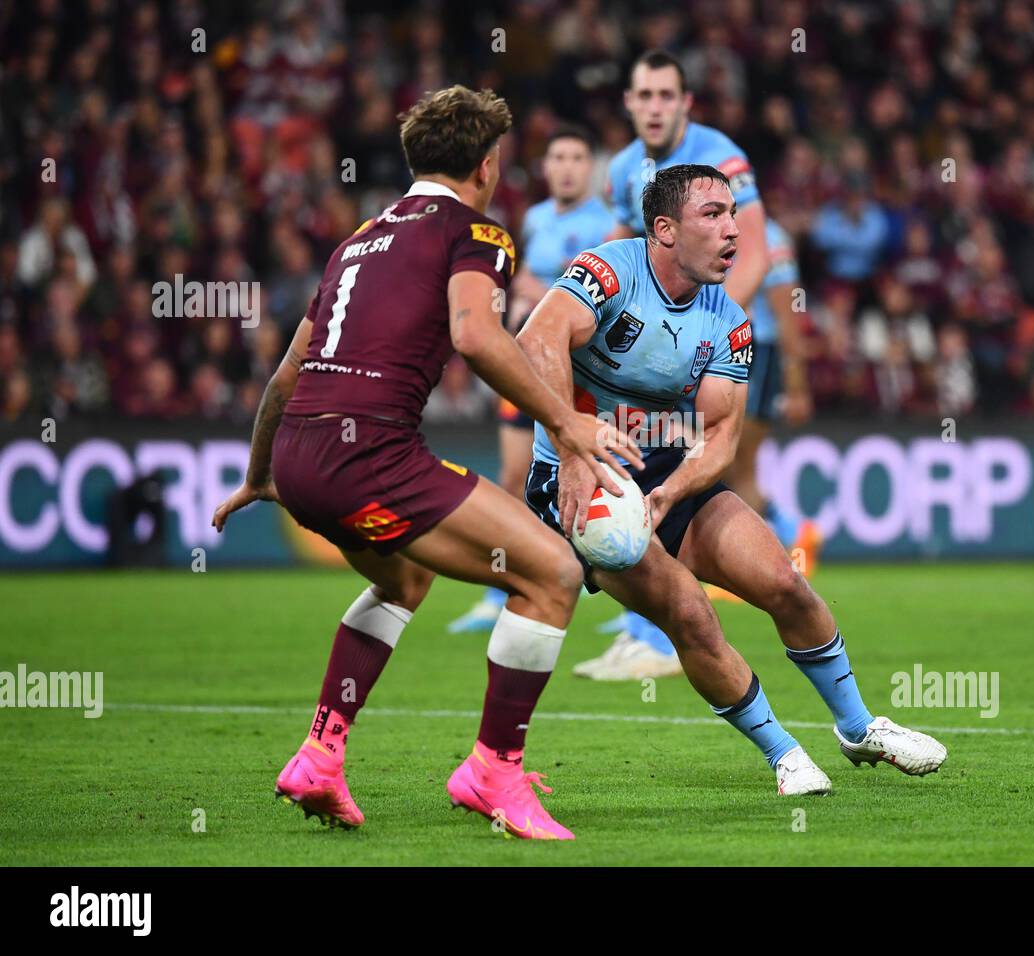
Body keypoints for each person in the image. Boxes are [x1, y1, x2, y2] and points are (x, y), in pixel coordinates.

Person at [211, 86, 642, 841]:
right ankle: (493, 771)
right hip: (368, 454)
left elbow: (286, 372)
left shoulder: (356, 242)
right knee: (552, 573)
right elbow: (476, 336)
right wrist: (567, 423)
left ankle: (320, 754)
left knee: (404, 576)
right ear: (485, 165)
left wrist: (259, 474)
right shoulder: (476, 232)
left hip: (302, 453)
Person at [516, 164, 948, 794]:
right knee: (689, 614)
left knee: (785, 582)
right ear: (664, 230)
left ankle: (857, 728)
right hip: (577, 479)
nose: (733, 229)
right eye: (713, 214)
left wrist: (674, 489)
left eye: (733, 213)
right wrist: (575, 449)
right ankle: (783, 753)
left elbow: (721, 437)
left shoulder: (728, 319)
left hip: (660, 469)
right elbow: (538, 338)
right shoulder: (607, 272)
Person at [578, 48, 812, 680]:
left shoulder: (723, 157)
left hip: (726, 342)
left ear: (686, 104)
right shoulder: (624, 168)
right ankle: (648, 626)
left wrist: (693, 334)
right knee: (633, 463)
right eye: (643, 95)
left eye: (665, 95)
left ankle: (679, 618)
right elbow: (629, 254)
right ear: (628, 103)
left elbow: (757, 254)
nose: (654, 106)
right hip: (656, 347)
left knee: (702, 467)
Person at [449, 124, 615, 634]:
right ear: (547, 168)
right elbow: (515, 276)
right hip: (525, 370)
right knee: (512, 481)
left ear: (591, 169)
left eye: (576, 157)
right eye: (558, 157)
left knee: (609, 485)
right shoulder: (537, 219)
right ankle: (496, 590)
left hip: (580, 377)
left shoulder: (610, 225)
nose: (566, 166)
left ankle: (638, 613)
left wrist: (539, 291)